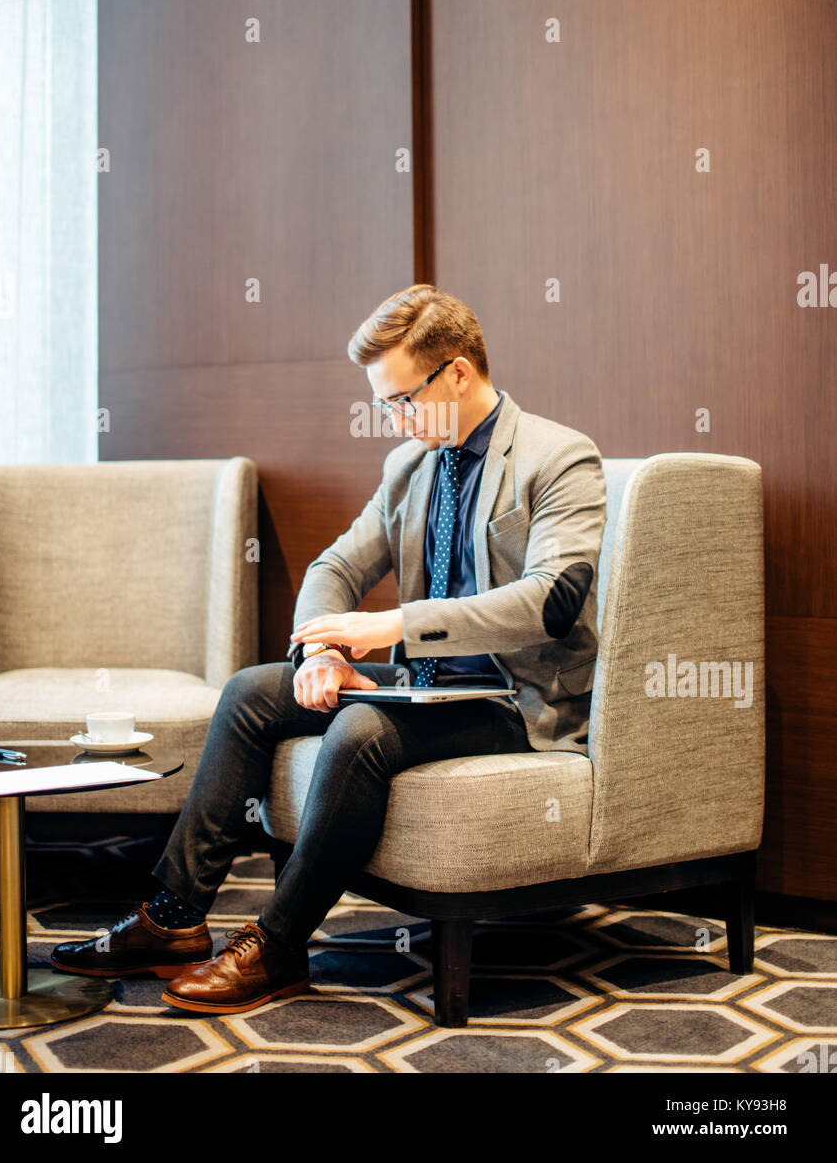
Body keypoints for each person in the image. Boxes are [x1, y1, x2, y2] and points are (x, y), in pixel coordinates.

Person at [50, 284, 607, 1014]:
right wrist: (321, 652)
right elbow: (334, 568)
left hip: (514, 702)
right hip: (429, 686)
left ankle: (279, 944)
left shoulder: (557, 457)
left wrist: (395, 625)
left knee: (361, 728)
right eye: (386, 405)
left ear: (458, 373)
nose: (395, 420)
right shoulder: (410, 467)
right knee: (251, 692)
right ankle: (174, 918)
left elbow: (551, 601)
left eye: (402, 400)